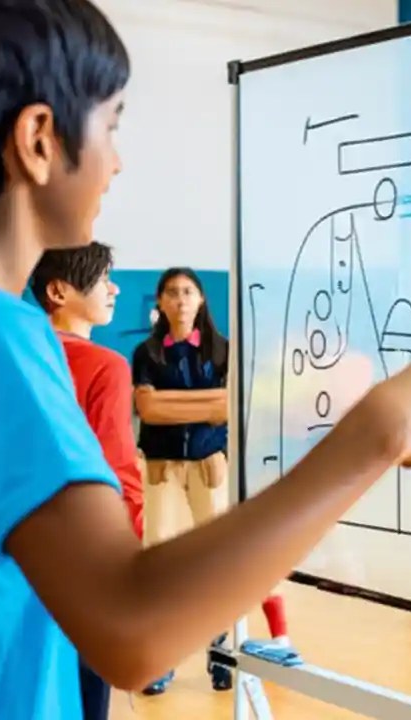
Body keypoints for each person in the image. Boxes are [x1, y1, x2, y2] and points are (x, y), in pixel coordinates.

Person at [0, 3, 411, 719]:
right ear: (40, 140)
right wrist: (377, 431)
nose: (117, 159)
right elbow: (131, 630)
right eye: (111, 124)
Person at [131, 267, 288, 693]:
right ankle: (160, 659)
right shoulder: (146, 354)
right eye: (171, 293)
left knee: (218, 561)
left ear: (201, 300)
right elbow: (150, 412)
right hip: (162, 466)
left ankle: (221, 653)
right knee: (159, 561)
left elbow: (225, 408)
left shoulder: (222, 351)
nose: (180, 300)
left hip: (209, 463)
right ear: (160, 303)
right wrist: (202, 404)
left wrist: (177, 403)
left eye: (188, 292)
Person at [29, 241, 144, 720]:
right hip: (87, 565)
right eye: (101, 279)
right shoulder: (106, 366)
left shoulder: (17, 351)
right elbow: (117, 473)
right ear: (58, 291)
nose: (114, 288)